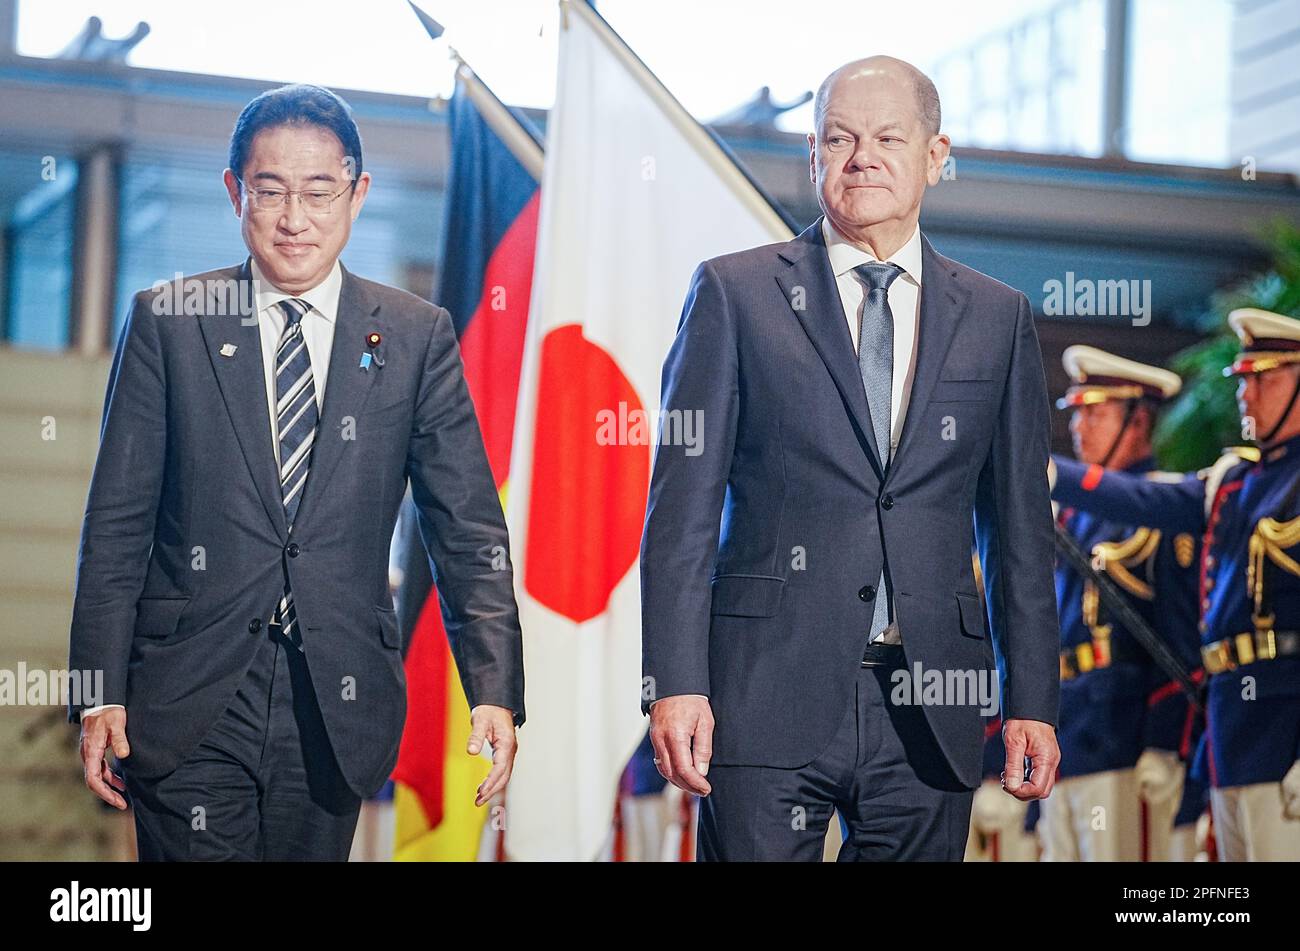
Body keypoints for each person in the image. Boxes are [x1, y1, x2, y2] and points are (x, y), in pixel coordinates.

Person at [68, 84, 525, 860]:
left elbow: (466, 525)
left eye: (320, 192)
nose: (294, 218)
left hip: (335, 697)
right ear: (233, 191)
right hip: (191, 693)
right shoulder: (170, 319)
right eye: (269, 190)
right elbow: (115, 524)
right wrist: (96, 687)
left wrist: (494, 686)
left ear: (358, 193)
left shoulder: (415, 337)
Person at [640, 56, 1061, 862]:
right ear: (814, 153)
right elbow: (680, 516)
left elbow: (1019, 531)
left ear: (937, 156)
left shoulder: (997, 318)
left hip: (933, 705)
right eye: (840, 137)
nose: (861, 155)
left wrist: (1032, 698)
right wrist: (675, 682)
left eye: (888, 137)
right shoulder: (736, 294)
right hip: (762, 692)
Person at [1050, 308, 1300, 861]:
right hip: (1231, 730)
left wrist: (1164, 741)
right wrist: (1042, 470)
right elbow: (1145, 500)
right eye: (1243, 378)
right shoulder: (1234, 482)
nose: (1244, 392)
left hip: (1284, 729)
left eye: (1264, 377)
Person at [1043, 346, 1200, 861]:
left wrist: (1163, 740)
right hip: (1070, 734)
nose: (1079, 426)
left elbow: (1182, 635)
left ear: (1138, 422)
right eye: (1077, 412)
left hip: (1125, 738)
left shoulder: (1161, 507)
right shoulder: (1071, 516)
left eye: (1096, 412)